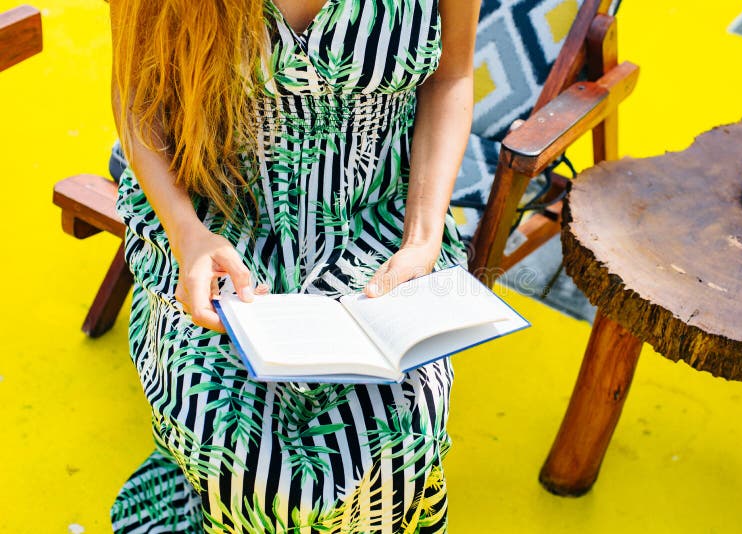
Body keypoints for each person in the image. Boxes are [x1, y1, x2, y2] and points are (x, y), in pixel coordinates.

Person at [108, 0, 480, 531]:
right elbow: (137, 91)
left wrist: (422, 240)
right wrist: (186, 232)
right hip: (220, 226)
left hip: (380, 229)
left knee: (404, 424)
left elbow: (451, 77)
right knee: (230, 442)